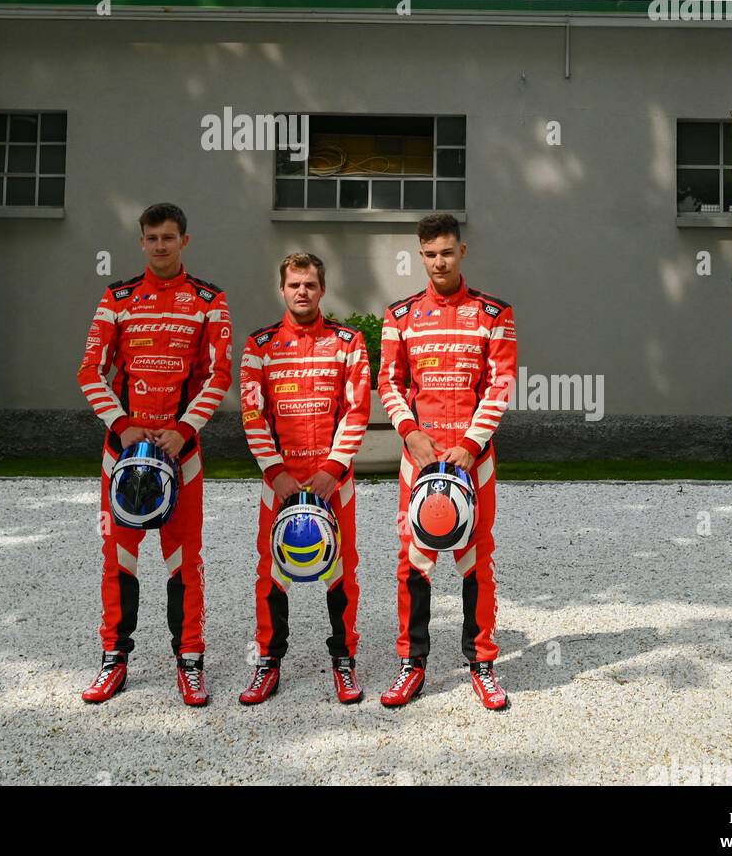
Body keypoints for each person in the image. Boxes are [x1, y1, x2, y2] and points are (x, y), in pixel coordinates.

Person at [76, 202, 232, 706]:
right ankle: (113, 661)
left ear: (184, 241)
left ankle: (189, 660)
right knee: (118, 558)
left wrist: (185, 429)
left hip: (180, 453)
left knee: (184, 562)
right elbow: (88, 372)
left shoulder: (209, 299)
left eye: (169, 237)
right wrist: (121, 427)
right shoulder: (116, 298)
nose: (160, 245)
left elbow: (219, 376)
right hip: (121, 453)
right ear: (141, 242)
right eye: (152, 238)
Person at [378, 214, 517, 710]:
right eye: (430, 253)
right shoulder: (399, 316)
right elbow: (389, 383)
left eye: (447, 252)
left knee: (477, 562)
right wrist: (410, 432)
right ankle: (412, 665)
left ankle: (482, 663)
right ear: (421, 255)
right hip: (420, 458)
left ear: (462, 251)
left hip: (472, 461)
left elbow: (500, 384)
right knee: (413, 563)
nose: (439, 261)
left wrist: (472, 443)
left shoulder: (494, 313)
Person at [238, 252, 371, 705]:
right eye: (294, 284)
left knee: (342, 571)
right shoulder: (260, 345)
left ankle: (344, 662)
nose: (302, 292)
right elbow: (253, 413)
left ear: (322, 290)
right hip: (280, 480)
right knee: (271, 572)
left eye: (310, 285)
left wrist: (334, 469)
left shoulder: (348, 342)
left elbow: (358, 410)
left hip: (332, 480)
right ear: (282, 289)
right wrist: (274, 471)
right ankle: (268, 662)